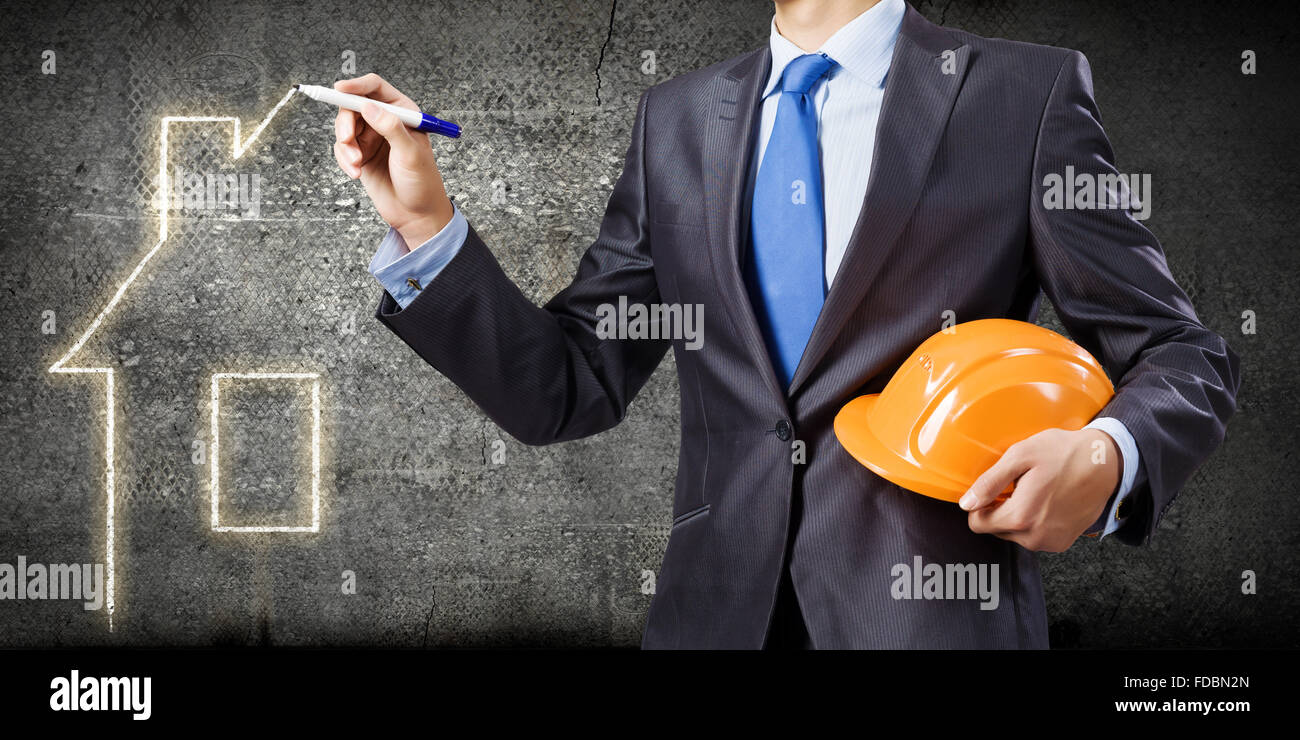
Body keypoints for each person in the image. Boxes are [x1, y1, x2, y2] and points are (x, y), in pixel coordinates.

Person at [331, 0, 1239, 648]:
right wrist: (424, 225)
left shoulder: (1024, 95)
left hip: (929, 619)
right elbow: (566, 387)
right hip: (711, 617)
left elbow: (1180, 351)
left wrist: (1107, 455)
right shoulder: (676, 120)